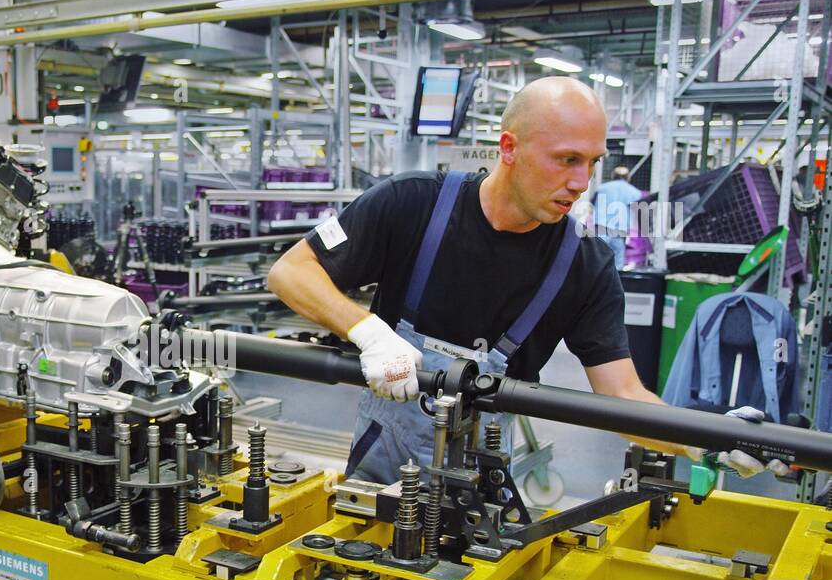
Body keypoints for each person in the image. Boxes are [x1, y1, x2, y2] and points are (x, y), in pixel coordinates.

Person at [266, 76, 785, 484]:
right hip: (379, 469)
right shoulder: (411, 204)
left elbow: (622, 395)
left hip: (482, 478)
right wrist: (371, 334)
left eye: (592, 163)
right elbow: (291, 271)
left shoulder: (586, 264)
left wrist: (706, 437)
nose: (581, 184)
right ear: (509, 148)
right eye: (566, 161)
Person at [592, 164, 644, 269]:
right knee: (617, 263)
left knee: (598, 260)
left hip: (602, 228)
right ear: (628, 177)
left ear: (613, 175)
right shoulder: (635, 192)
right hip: (620, 231)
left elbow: (592, 203)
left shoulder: (602, 188)